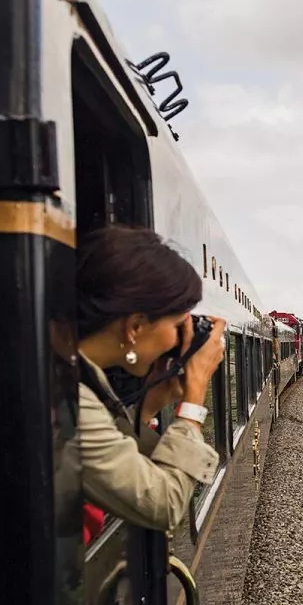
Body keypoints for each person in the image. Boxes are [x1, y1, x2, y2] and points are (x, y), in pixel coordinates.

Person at [75, 225, 226, 532]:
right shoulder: (68, 401)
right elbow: (163, 504)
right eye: (176, 324)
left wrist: (151, 404)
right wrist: (194, 399)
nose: (176, 339)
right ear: (135, 327)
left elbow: (116, 459)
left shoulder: (71, 376)